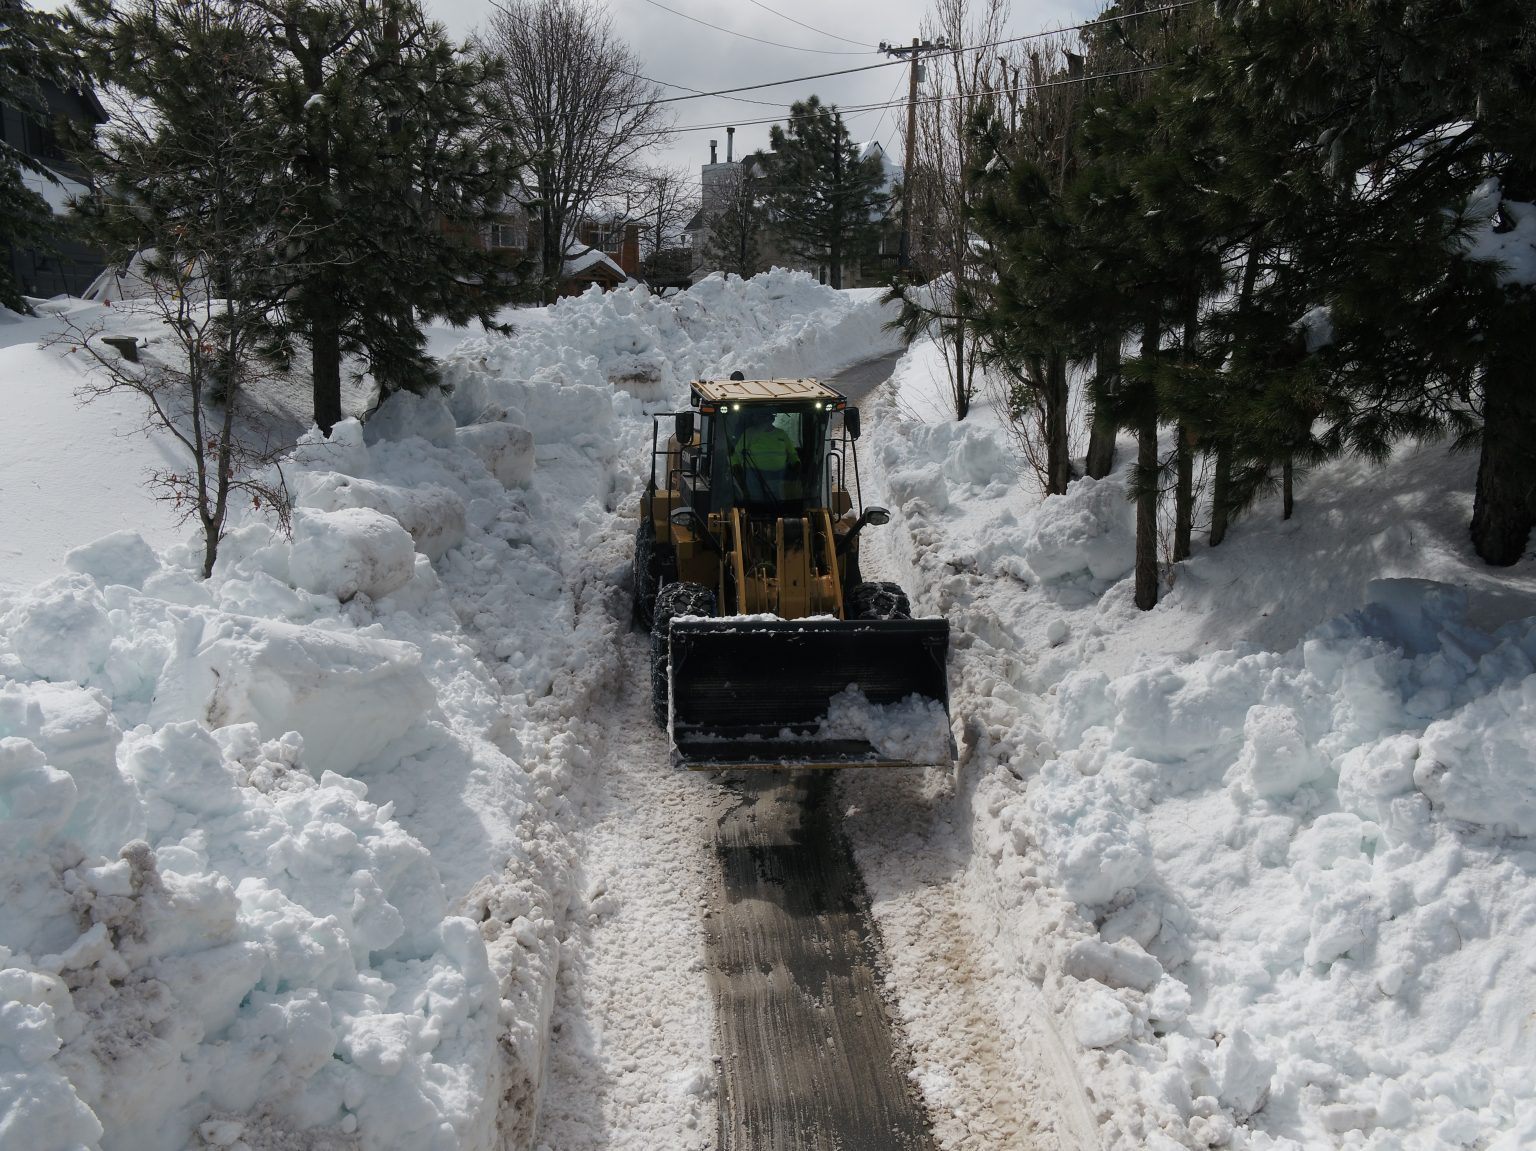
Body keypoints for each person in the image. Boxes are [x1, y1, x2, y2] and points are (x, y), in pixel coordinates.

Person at [730, 407, 798, 501]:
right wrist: (735, 465)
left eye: (766, 418)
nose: (764, 421)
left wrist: (796, 463)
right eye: (761, 418)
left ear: (771, 419)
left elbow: (792, 454)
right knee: (756, 500)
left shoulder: (781, 434)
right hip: (754, 474)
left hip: (777, 475)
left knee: (776, 499)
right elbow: (736, 454)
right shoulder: (749, 433)